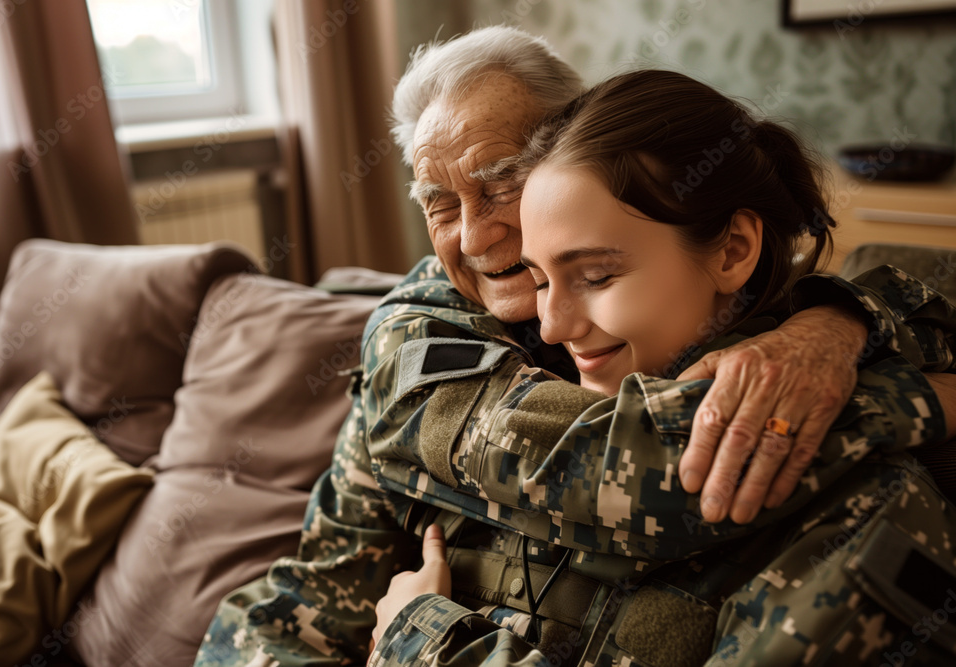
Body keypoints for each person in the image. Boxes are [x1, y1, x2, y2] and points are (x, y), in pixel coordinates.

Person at [194, 27, 956, 667]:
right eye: (438, 203)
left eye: (499, 184)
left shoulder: (836, 440)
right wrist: (909, 398)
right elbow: (647, 465)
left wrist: (838, 322)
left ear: (574, 151)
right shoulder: (423, 331)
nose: (472, 234)